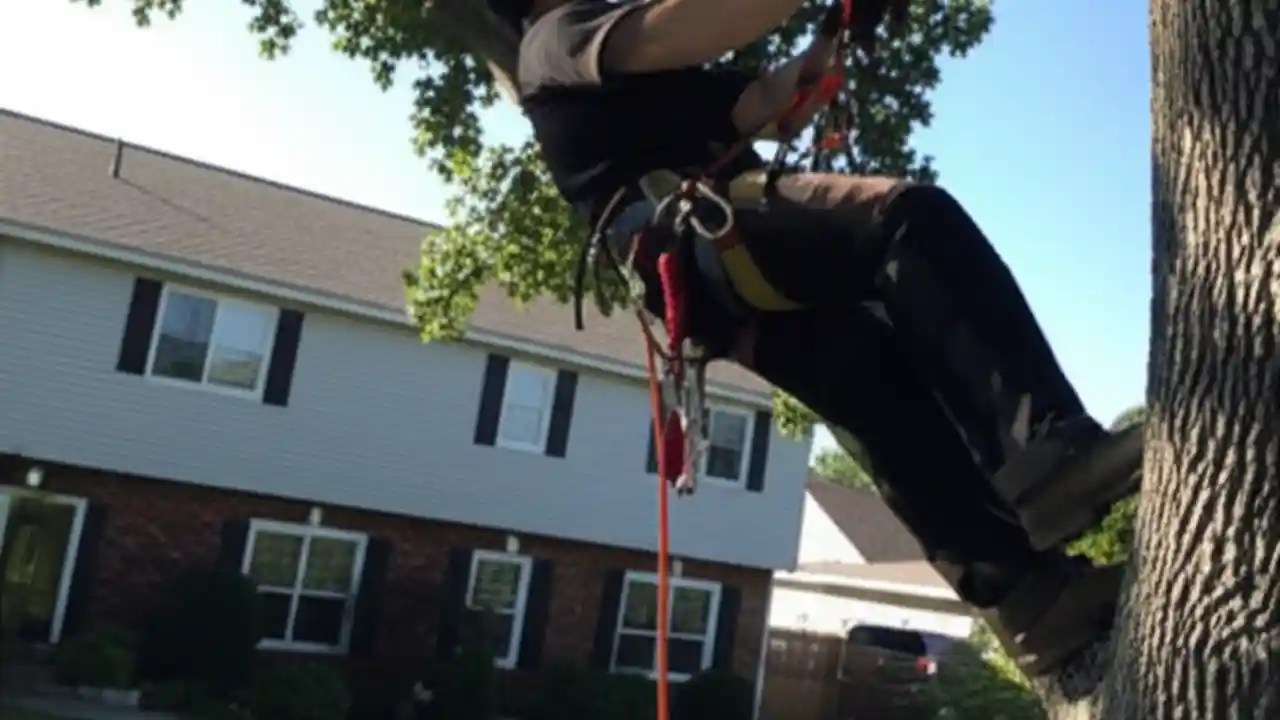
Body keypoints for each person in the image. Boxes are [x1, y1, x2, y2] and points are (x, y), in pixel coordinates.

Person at [491, 0, 1143, 675]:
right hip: (699, 240)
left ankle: (1034, 604)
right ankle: (1047, 453)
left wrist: (831, 34)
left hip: (715, 279)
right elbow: (692, 22)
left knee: (880, 392)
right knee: (905, 221)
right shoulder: (555, 36)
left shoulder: (658, 72)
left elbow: (771, 105)